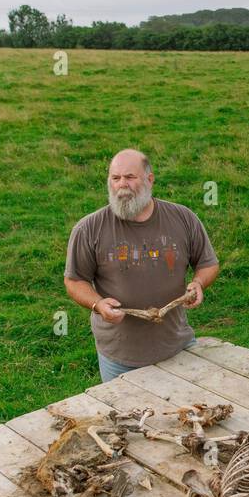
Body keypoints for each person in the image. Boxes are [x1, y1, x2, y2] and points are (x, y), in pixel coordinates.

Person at [63, 149, 220, 382]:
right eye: (115, 178)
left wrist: (198, 283)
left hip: (177, 346)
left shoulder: (183, 218)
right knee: (130, 417)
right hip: (120, 358)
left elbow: (208, 263)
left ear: (150, 179)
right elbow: (74, 280)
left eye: (130, 177)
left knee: (188, 412)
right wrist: (97, 304)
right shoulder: (89, 229)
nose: (122, 185)